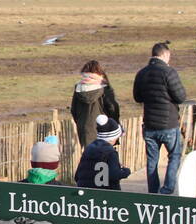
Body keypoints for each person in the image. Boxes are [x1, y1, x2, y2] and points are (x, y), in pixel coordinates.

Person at [132, 41, 187, 195]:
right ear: (165, 55)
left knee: (152, 161)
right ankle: (167, 189)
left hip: (149, 124)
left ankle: (153, 191)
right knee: (175, 155)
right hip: (169, 122)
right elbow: (181, 96)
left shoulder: (141, 73)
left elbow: (137, 97)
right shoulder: (169, 72)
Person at [69, 60, 120, 148]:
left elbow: (74, 110)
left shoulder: (78, 89)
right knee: (105, 156)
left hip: (85, 128)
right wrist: (114, 124)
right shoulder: (104, 89)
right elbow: (112, 108)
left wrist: (81, 123)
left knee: (90, 155)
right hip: (104, 128)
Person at [74, 115, 131, 190]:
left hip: (84, 190)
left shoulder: (89, 149)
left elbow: (77, 175)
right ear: (113, 138)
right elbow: (113, 175)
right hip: (105, 194)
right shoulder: (111, 153)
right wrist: (125, 172)